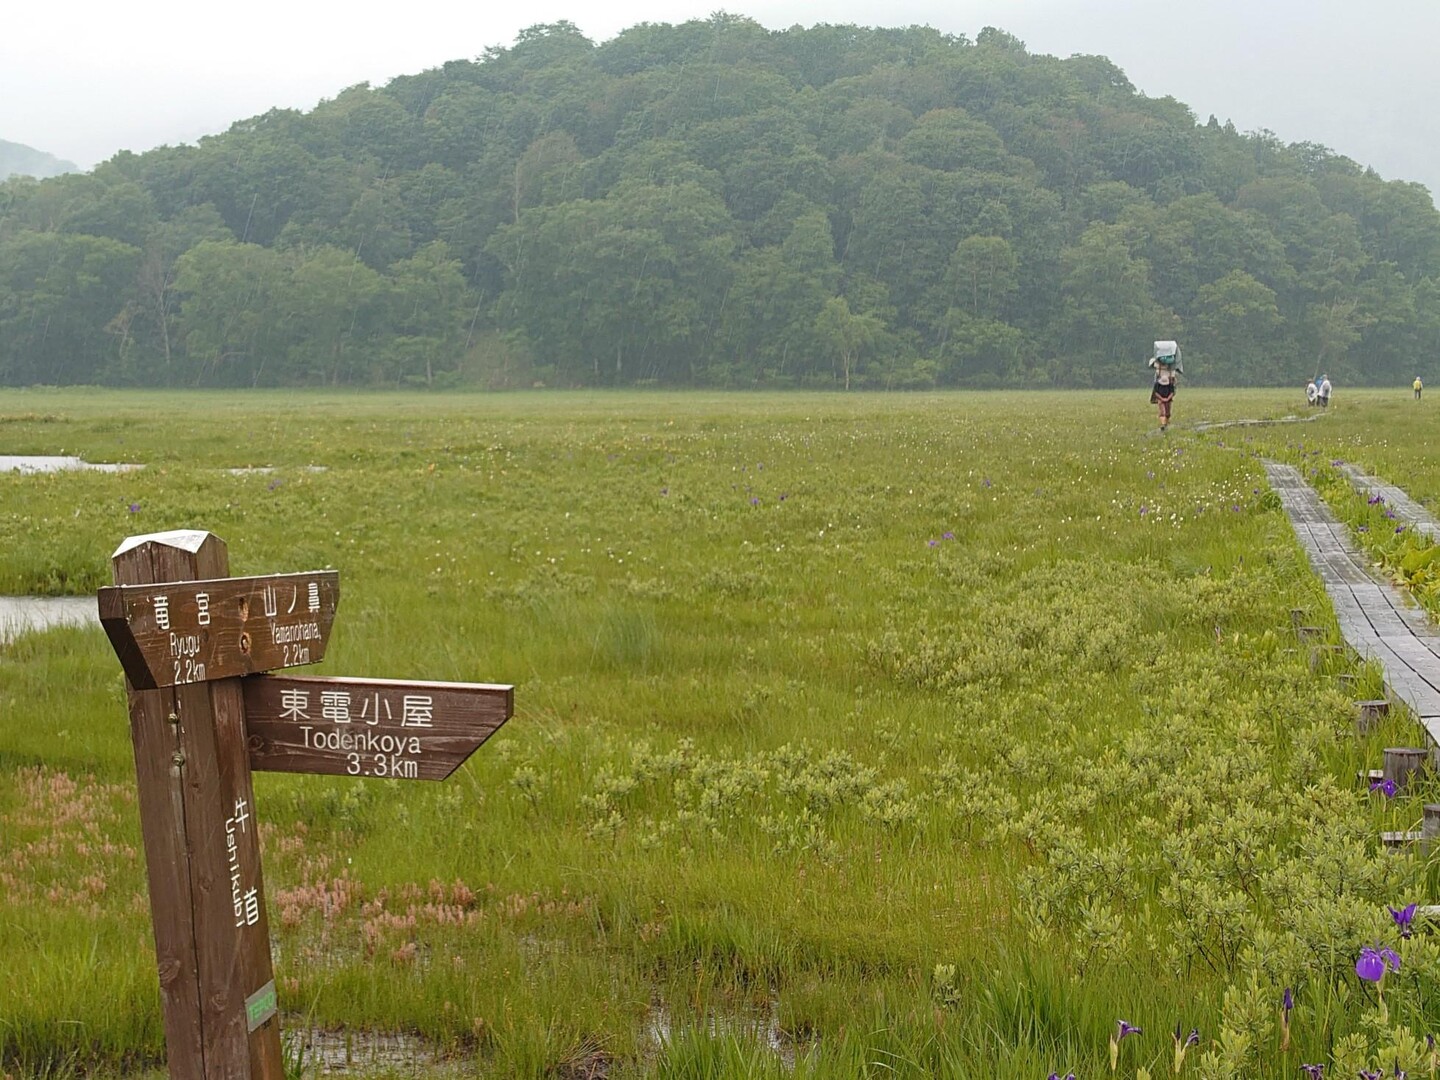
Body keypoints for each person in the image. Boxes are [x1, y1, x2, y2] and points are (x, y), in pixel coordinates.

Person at [1148, 340, 1182, 431]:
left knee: (1167, 412)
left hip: (1166, 394)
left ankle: (1165, 423)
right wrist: (1164, 399)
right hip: (1163, 395)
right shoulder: (1170, 372)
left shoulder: (1159, 368)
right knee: (1163, 411)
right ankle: (1163, 424)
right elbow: (1171, 390)